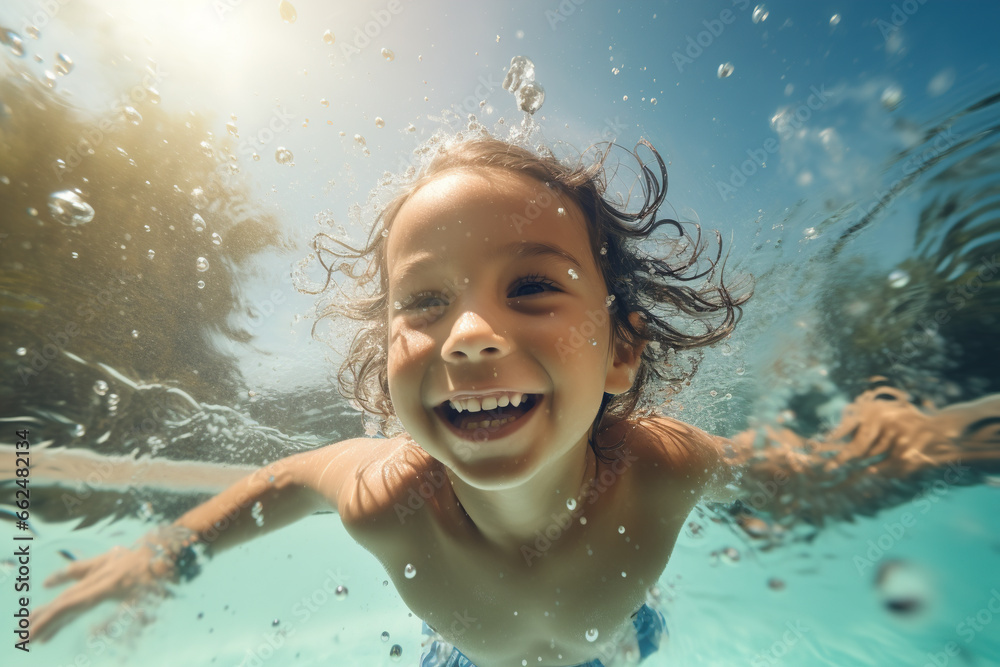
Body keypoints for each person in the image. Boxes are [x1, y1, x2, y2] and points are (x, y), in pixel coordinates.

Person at [28, 134, 997, 665]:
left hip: (621, 643)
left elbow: (790, 480)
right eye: (424, 303)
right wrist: (164, 554)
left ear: (620, 353)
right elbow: (282, 479)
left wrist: (916, 452)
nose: (469, 334)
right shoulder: (385, 494)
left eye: (531, 286)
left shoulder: (656, 465)